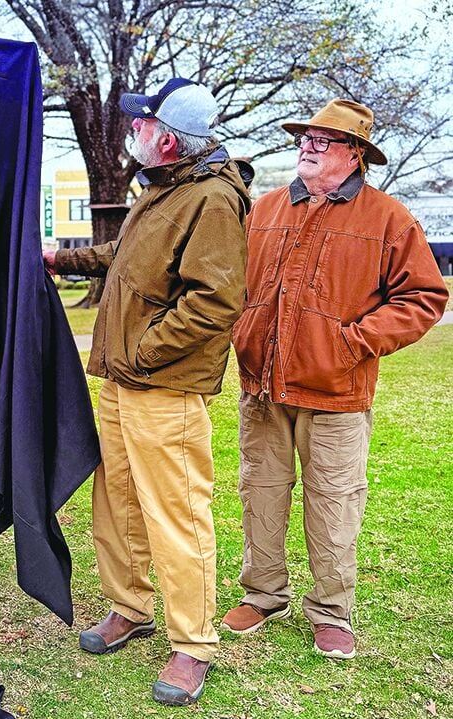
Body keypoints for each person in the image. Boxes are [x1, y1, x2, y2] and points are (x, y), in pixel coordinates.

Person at [44, 78, 250, 706]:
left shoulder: (212, 198)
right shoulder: (160, 190)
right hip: (125, 382)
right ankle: (129, 607)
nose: (133, 129)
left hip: (164, 386)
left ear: (168, 137)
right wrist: (61, 258)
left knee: (177, 514)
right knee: (119, 500)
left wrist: (141, 352)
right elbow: (126, 259)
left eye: (143, 122)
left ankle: (193, 644)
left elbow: (214, 302)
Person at [220, 99, 448, 659]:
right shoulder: (266, 208)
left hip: (338, 393)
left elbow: (424, 297)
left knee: (334, 501)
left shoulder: (389, 219)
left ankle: (331, 610)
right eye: (306, 138)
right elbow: (230, 283)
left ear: (356, 155)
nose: (309, 146)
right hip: (263, 388)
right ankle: (263, 594)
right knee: (261, 495)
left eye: (324, 140)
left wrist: (351, 344)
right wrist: (245, 330)